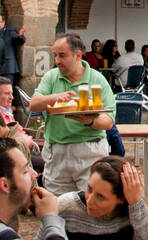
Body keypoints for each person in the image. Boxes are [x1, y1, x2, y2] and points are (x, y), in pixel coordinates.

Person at [27, 34, 115, 194]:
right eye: (55, 55)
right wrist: (54, 98)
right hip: (57, 151)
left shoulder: (97, 80)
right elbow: (33, 104)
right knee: (56, 204)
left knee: (90, 202)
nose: (57, 61)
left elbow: (108, 120)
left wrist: (89, 121)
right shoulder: (52, 77)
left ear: (78, 55)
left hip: (90, 149)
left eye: (62, 55)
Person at [0, 14, 25, 80]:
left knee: (7, 87)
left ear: (3, 22)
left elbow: (19, 40)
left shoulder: (10, 31)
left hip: (8, 66)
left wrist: (20, 36)